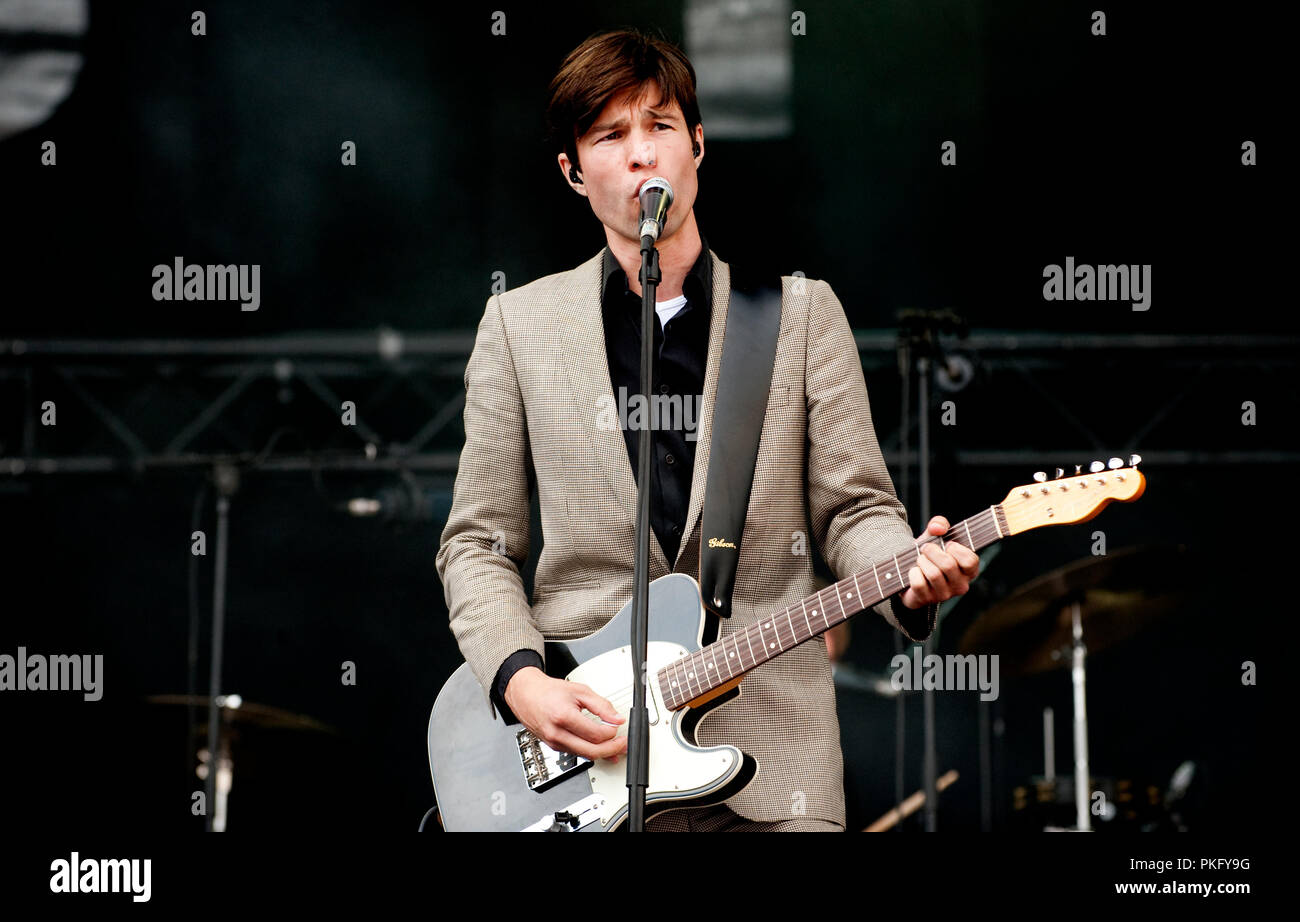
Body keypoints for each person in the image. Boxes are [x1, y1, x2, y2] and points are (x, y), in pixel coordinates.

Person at [435, 28, 980, 832]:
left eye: (659, 125)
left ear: (697, 144)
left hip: (773, 764)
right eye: (610, 136)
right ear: (573, 171)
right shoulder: (519, 327)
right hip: (589, 758)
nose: (641, 154)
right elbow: (476, 543)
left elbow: (854, 510)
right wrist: (524, 681)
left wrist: (905, 570)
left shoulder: (795, 318)